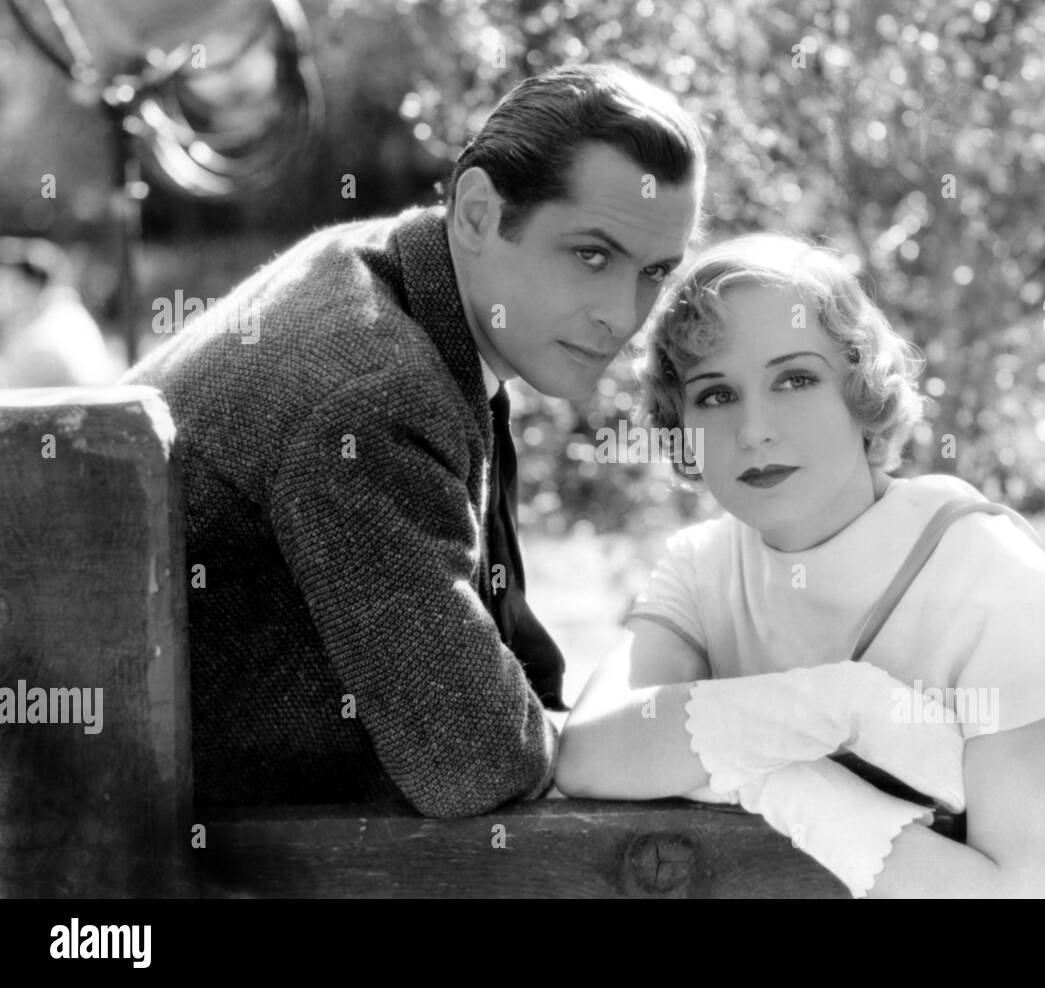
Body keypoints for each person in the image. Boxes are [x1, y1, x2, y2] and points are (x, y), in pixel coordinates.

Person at [121, 64, 704, 817]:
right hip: (143, 863)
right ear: (476, 213)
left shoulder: (399, 288)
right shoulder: (373, 392)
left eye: (654, 272)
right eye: (591, 255)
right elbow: (476, 764)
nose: (622, 314)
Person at [555, 234, 1045, 897]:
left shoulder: (986, 571)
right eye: (715, 395)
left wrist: (777, 781)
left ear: (861, 392)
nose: (755, 428)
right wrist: (841, 706)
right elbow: (591, 752)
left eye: (795, 379)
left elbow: (1022, 892)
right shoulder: (701, 566)